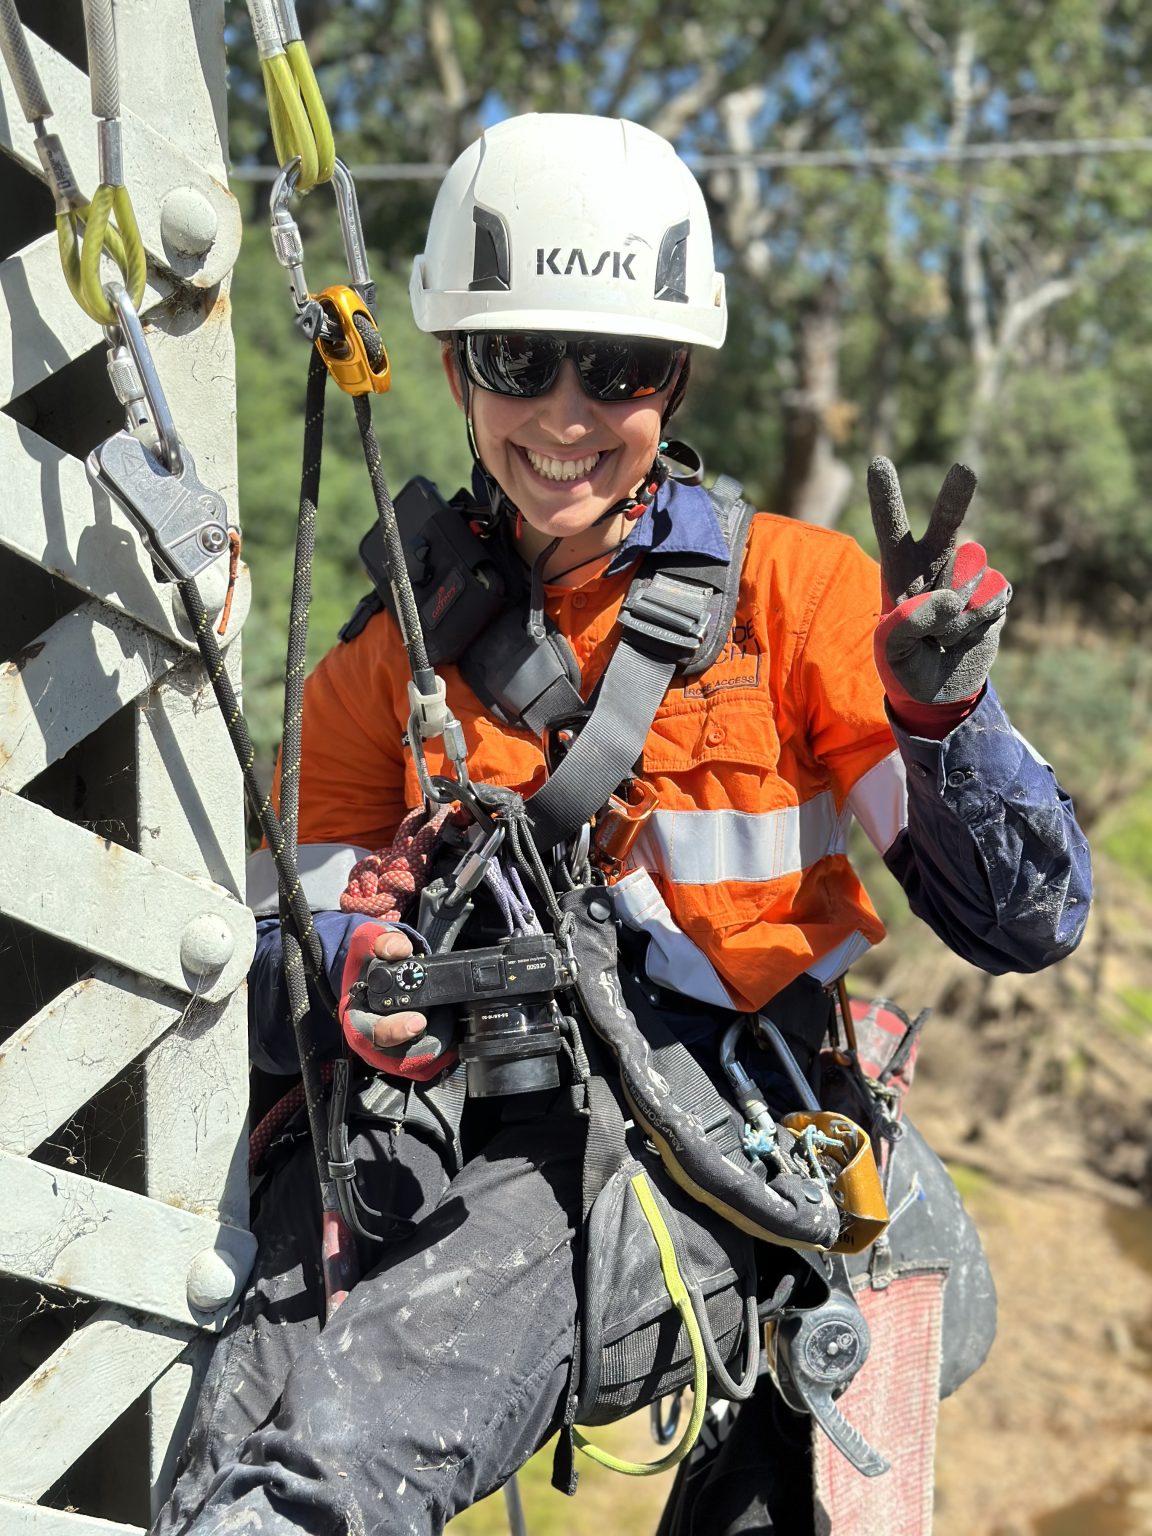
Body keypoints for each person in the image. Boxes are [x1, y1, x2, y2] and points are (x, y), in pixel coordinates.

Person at [155, 113, 1091, 1536]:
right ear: (461, 369)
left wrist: (949, 724)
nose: (571, 417)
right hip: (471, 1135)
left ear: (679, 378)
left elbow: (1027, 921)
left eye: (624, 370)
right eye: (524, 361)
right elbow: (294, 952)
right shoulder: (388, 661)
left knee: (330, 1477)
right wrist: (360, 966)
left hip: (720, 1142)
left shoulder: (799, 598)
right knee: (221, 1450)